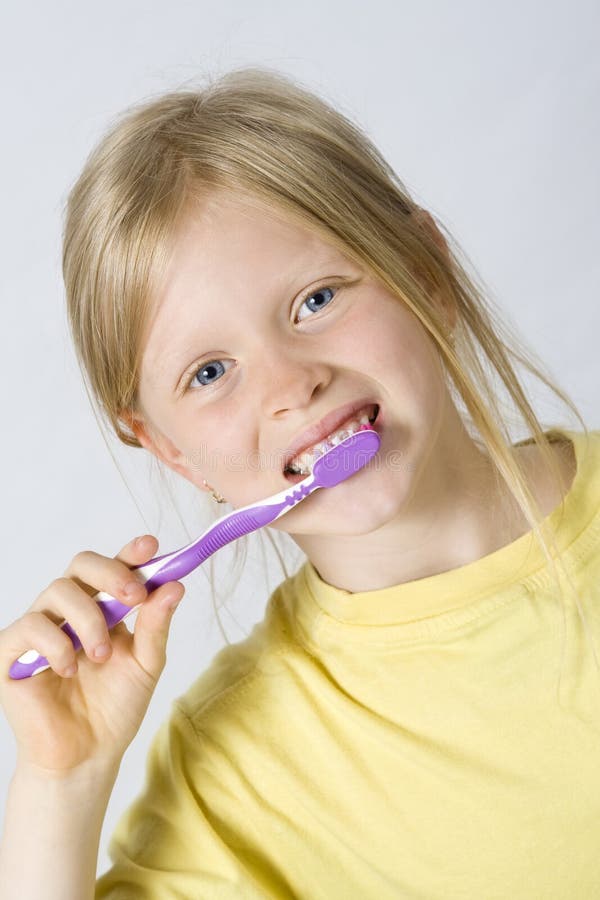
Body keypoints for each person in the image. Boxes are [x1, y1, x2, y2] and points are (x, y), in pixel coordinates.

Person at [0, 65, 598, 899]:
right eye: (210, 372)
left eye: (316, 299)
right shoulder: (240, 772)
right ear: (170, 450)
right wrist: (60, 784)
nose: (289, 386)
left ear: (429, 273)